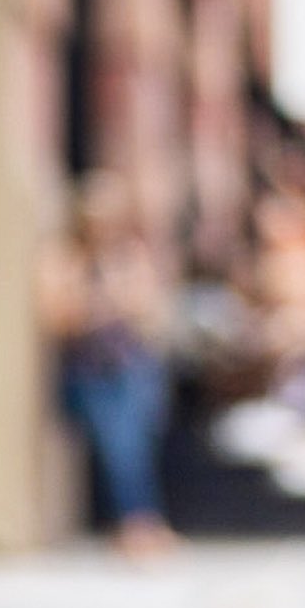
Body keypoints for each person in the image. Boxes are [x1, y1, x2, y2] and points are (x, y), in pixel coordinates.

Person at [39, 171, 178, 558]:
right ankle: (139, 523)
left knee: (133, 426)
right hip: (86, 373)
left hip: (128, 366)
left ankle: (138, 520)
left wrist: (111, 304)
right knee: (121, 434)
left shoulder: (128, 256)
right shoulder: (65, 259)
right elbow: (59, 317)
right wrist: (105, 305)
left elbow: (148, 310)